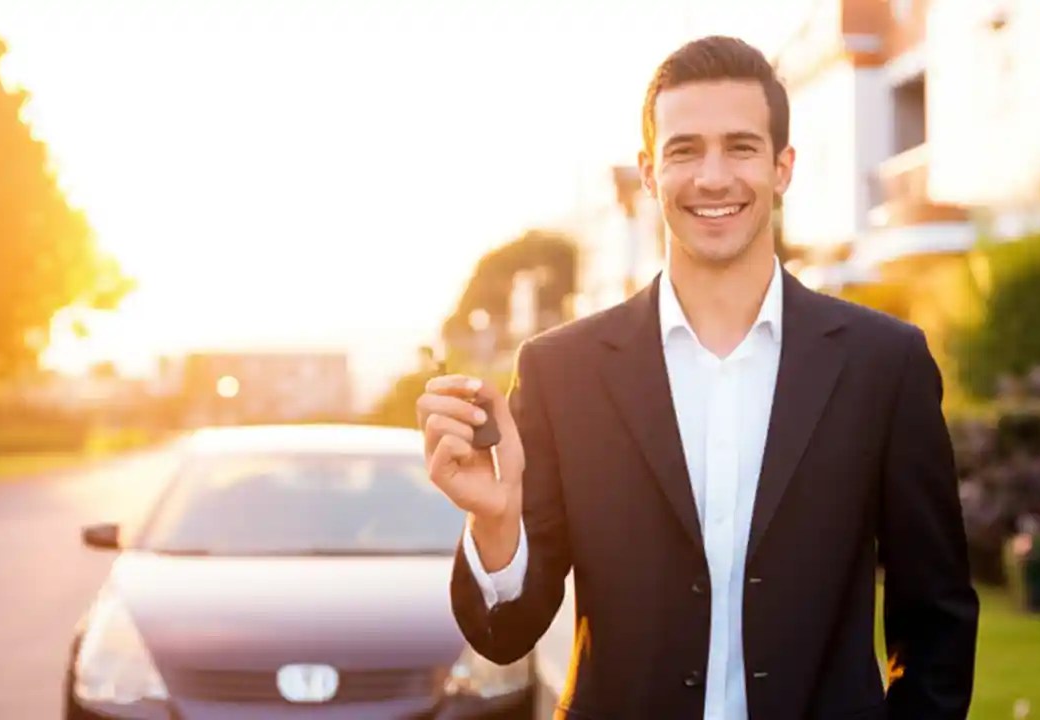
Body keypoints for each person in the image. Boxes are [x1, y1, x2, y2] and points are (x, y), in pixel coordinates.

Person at [416, 35, 978, 720]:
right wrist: (496, 523)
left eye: (740, 147)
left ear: (782, 168)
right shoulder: (561, 373)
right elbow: (504, 637)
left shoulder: (883, 364)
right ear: (650, 173)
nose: (713, 177)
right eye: (685, 150)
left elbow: (938, 621)